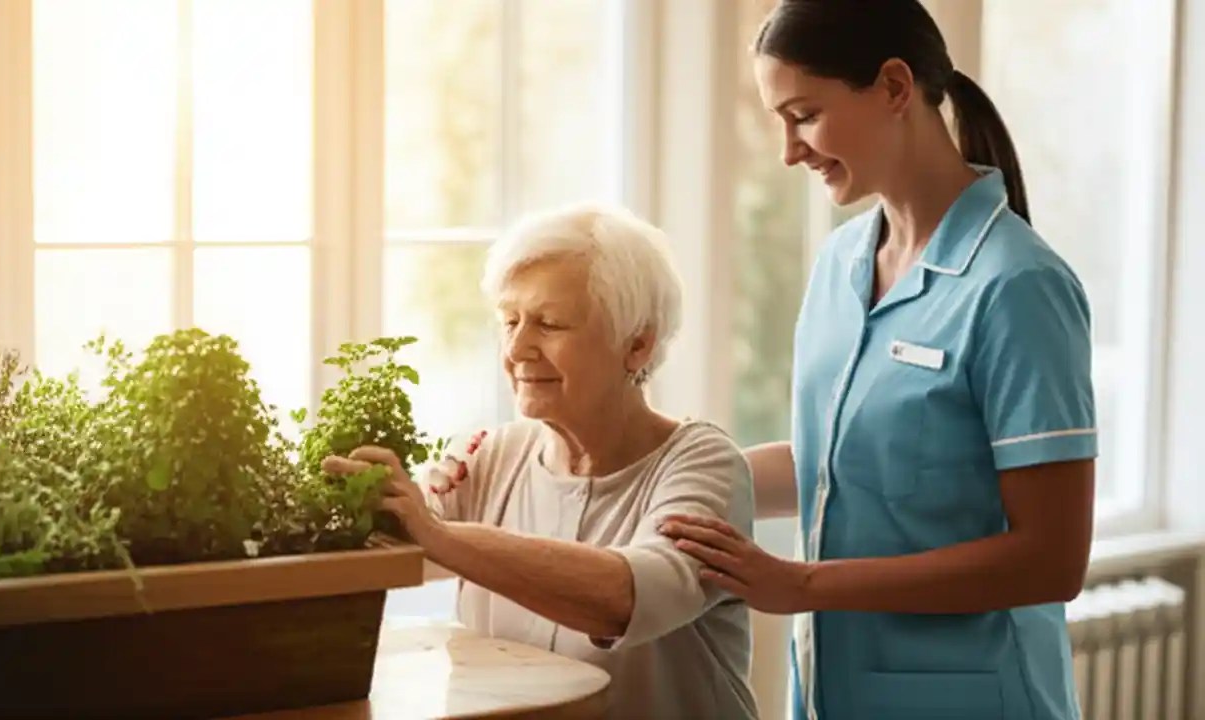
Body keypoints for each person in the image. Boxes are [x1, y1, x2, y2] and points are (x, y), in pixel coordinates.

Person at [659, 1, 1096, 718]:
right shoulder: (841, 264)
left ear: (894, 87)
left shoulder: (1018, 286)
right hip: (836, 689)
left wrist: (801, 584)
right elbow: (833, 465)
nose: (789, 150)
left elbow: (1051, 558)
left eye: (803, 114)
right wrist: (662, 478)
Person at [323, 204, 759, 720]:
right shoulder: (487, 455)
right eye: (509, 321)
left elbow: (624, 597)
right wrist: (389, 513)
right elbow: (383, 554)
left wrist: (437, 534)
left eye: (549, 324)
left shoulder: (705, 465)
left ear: (637, 344)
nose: (517, 348)